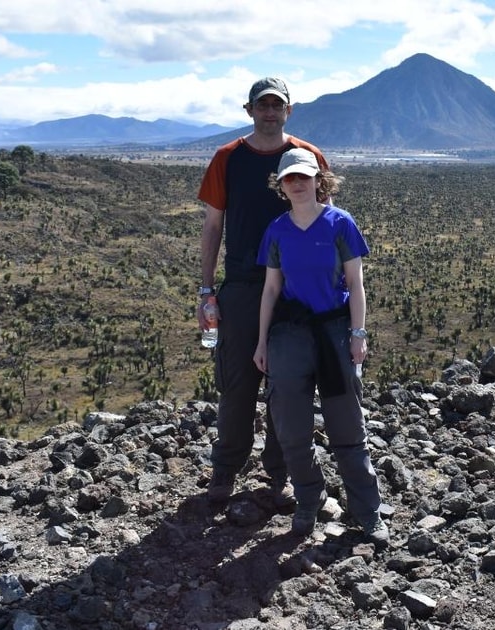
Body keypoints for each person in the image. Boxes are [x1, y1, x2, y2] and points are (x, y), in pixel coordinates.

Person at [197, 77, 330, 505]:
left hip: (297, 293)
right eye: (263, 105)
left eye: (278, 105)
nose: (270, 112)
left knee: (287, 384)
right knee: (236, 383)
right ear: (249, 109)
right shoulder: (228, 158)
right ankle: (225, 471)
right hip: (242, 286)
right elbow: (213, 226)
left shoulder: (309, 157)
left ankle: (280, 473)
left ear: (289, 111)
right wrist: (206, 291)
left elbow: (327, 225)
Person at [252, 148, 388, 544]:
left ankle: (367, 511)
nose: (297, 183)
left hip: (334, 330)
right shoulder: (277, 229)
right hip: (291, 334)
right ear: (280, 185)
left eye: (304, 177)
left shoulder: (340, 223)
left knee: (347, 425)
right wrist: (262, 342)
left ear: (318, 180)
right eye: (289, 178)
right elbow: (271, 289)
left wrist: (358, 335)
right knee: (292, 427)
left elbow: (357, 284)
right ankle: (309, 499)